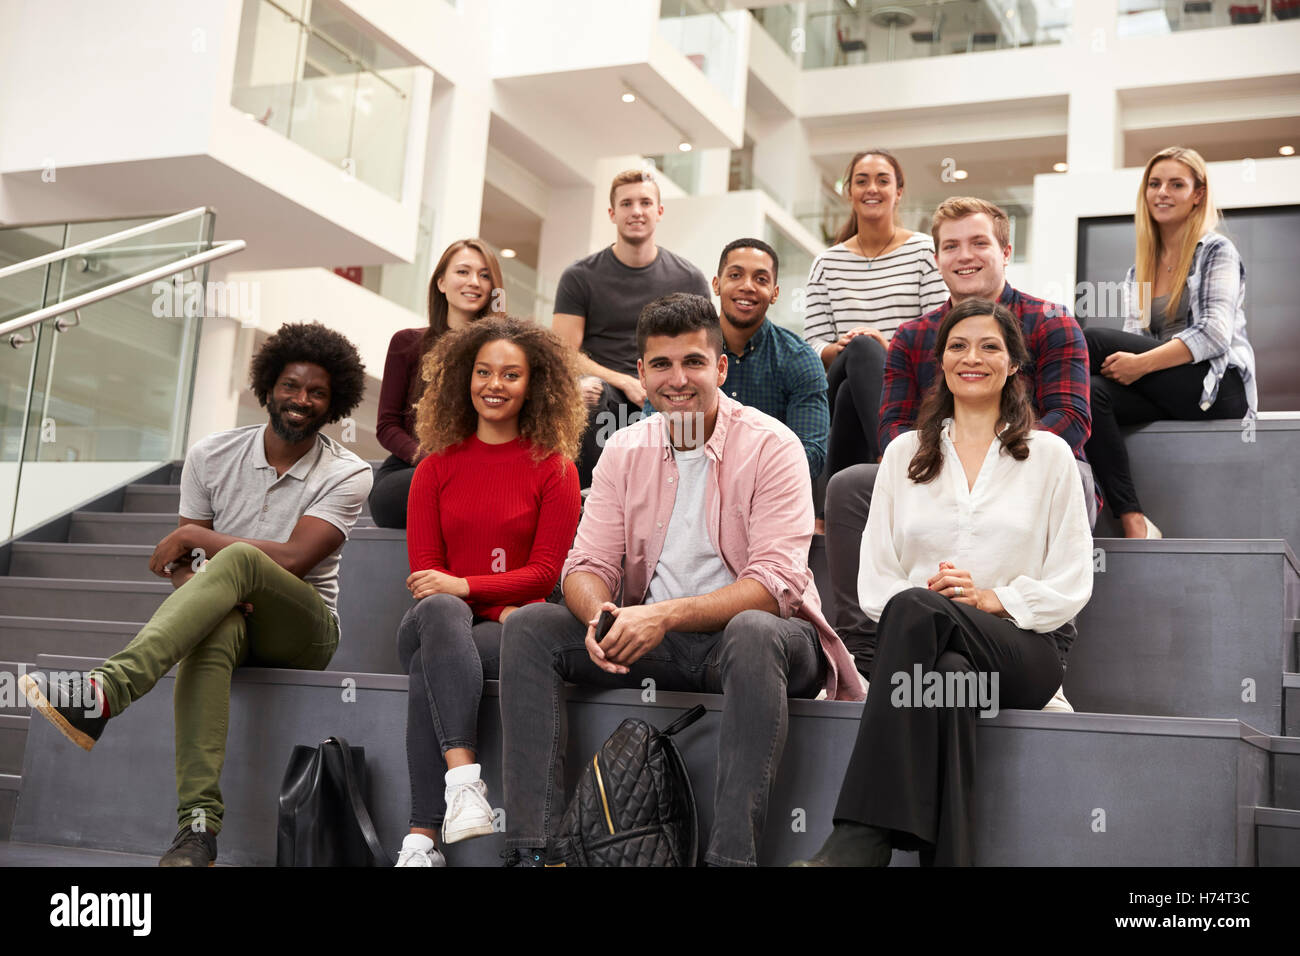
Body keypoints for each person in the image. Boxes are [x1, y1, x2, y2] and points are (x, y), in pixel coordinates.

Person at [498, 293, 864, 868]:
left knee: (753, 629)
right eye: (661, 365)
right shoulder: (623, 449)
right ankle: (532, 852)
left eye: (693, 361)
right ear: (640, 374)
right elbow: (586, 567)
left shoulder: (773, 446)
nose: (678, 379)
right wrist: (601, 615)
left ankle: (730, 861)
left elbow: (775, 586)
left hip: (765, 644)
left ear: (720, 368)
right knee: (530, 628)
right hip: (657, 638)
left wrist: (660, 615)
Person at [21, 322, 372, 867]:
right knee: (215, 632)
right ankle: (197, 831)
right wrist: (210, 579)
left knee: (240, 559)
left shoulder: (348, 472)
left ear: (334, 403)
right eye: (290, 386)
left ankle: (108, 688)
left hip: (304, 628)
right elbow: (188, 573)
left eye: (317, 392)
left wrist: (194, 536)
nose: (301, 400)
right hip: (234, 613)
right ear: (268, 387)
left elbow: (295, 559)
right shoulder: (211, 454)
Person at [794, 298, 1093, 867]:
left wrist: (990, 599)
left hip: (1025, 654)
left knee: (917, 610)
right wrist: (936, 601)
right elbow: (876, 577)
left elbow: (1073, 579)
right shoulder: (905, 454)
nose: (971, 357)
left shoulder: (1051, 456)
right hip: (933, 656)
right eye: (958, 346)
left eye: (989, 347)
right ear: (941, 363)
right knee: (946, 667)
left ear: (1013, 366)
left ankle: (861, 838)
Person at [825, 196, 1092, 679]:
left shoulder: (1051, 321)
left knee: (1074, 473)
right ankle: (863, 649)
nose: (963, 255)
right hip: (937, 462)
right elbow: (893, 433)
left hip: (1031, 458)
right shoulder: (912, 336)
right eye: (950, 246)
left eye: (978, 243)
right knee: (849, 486)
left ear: (1005, 252)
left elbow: (1071, 418)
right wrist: (954, 459)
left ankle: (1045, 625)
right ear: (937, 259)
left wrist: (997, 456)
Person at [392, 316, 584, 867]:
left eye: (510, 374)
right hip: (449, 620)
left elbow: (546, 573)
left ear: (535, 385)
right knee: (441, 612)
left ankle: (421, 840)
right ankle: (463, 781)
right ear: (463, 378)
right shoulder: (434, 469)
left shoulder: (554, 469)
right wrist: (490, 602)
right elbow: (426, 577)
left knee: (429, 664)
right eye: (483, 372)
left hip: (501, 636)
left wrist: (468, 589)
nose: (494, 385)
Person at [1085, 146, 1256, 538]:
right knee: (1093, 392)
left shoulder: (1216, 250)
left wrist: (1140, 365)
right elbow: (1136, 335)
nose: (1162, 192)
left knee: (1092, 340)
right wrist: (1132, 364)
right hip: (1172, 389)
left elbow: (1215, 333)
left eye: (1176, 184)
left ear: (1198, 194)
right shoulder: (1139, 268)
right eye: (1155, 183)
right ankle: (1133, 520)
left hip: (1219, 389)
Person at [552, 169, 711, 486]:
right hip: (607, 393)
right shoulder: (580, 277)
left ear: (659, 211)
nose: (636, 211)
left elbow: (703, 349)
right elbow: (562, 354)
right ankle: (589, 494)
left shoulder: (689, 278)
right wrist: (623, 381)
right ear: (612, 213)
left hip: (668, 384)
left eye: (645, 202)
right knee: (593, 391)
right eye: (626, 204)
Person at [802, 150, 947, 479]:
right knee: (860, 349)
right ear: (849, 192)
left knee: (852, 386)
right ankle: (893, 454)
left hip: (906, 378)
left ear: (898, 192)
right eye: (862, 181)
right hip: (841, 364)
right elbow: (812, 341)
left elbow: (937, 330)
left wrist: (888, 346)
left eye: (883, 181)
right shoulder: (826, 263)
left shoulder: (924, 251)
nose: (872, 189)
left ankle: (828, 505)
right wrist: (840, 348)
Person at [659, 237, 827, 479]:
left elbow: (811, 454)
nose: (747, 286)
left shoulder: (800, 359)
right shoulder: (680, 351)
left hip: (767, 494)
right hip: (685, 485)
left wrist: (738, 473)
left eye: (761, 279)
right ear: (716, 284)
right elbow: (655, 433)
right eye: (735, 275)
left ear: (775, 292)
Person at [370, 239, 505, 528]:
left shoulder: (505, 353)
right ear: (441, 282)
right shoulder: (407, 343)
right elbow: (387, 427)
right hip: (411, 471)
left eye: (484, 275)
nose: (474, 282)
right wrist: (431, 460)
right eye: (463, 272)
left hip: (480, 473)